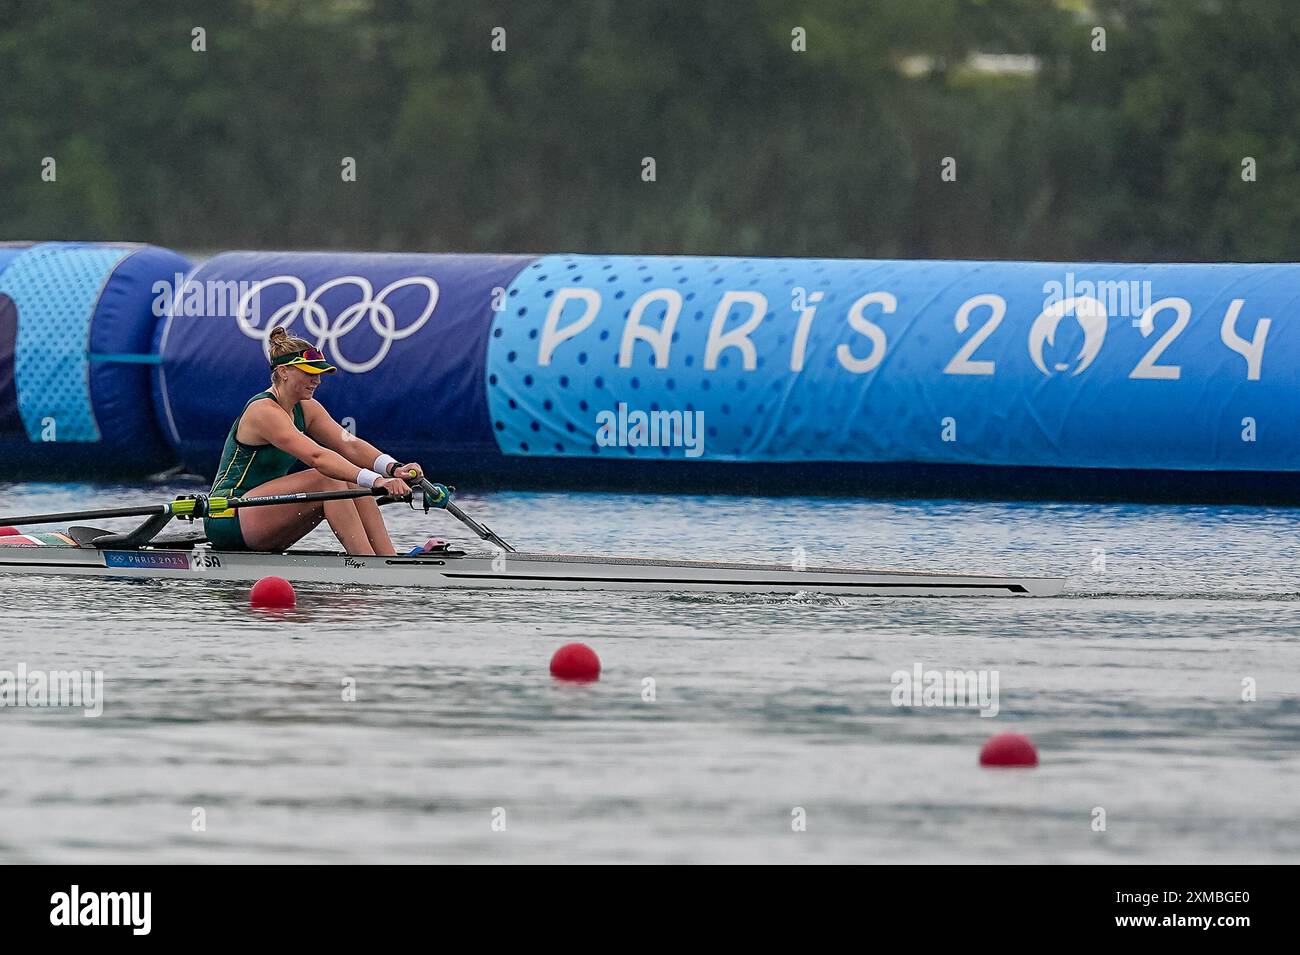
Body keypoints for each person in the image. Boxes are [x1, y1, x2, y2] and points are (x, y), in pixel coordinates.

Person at [203, 327, 424, 555]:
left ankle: (388, 559)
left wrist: (393, 468)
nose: (317, 380)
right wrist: (378, 481)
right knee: (328, 477)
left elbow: (348, 443)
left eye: (319, 374)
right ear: (283, 371)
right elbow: (317, 457)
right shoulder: (263, 411)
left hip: (262, 512)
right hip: (228, 514)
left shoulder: (307, 408)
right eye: (309, 373)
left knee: (354, 480)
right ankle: (365, 562)